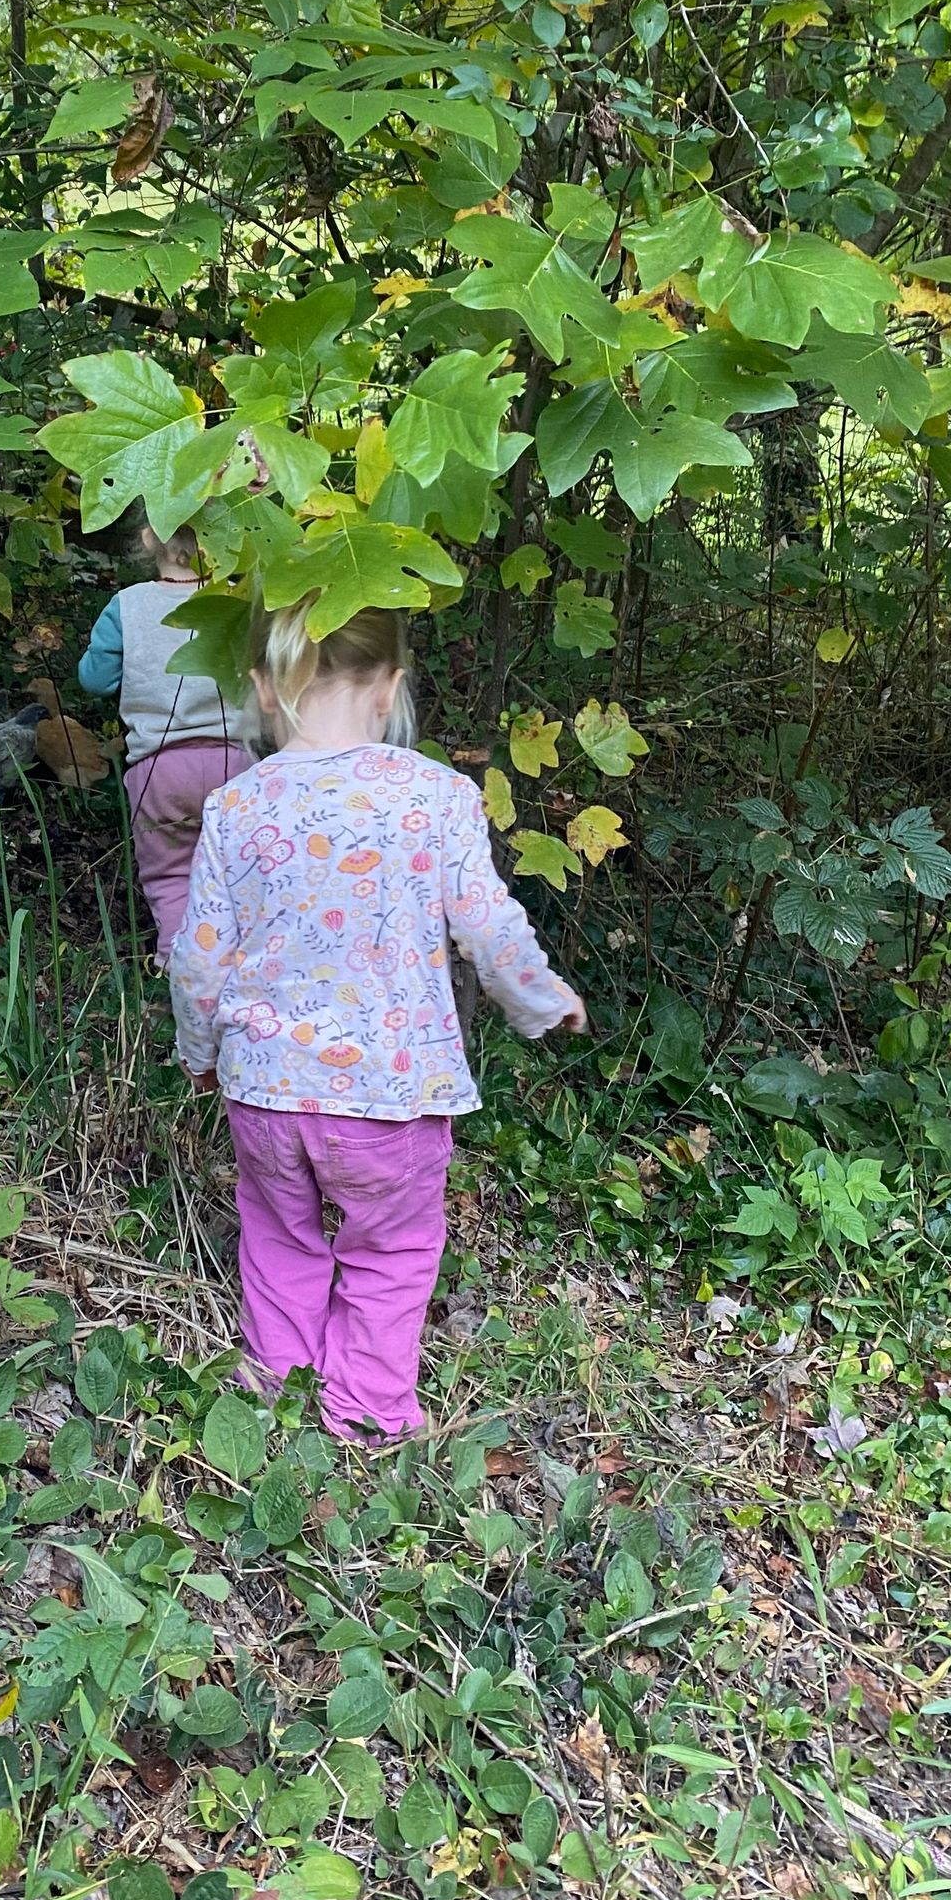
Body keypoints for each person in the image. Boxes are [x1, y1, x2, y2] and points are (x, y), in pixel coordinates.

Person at [169, 600, 585, 1446]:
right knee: (391, 1253)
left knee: (277, 1231)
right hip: (391, 1096)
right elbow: (488, 925)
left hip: (267, 1091)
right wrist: (544, 1001)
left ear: (263, 687)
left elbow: (199, 959)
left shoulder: (237, 806)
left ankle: (278, 1388)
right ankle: (363, 1408)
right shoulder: (435, 796)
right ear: (392, 685)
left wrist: (200, 1052)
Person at [78, 524, 257, 955]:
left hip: (159, 769)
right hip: (234, 763)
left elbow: (95, 680)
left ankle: (180, 964)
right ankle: (246, 964)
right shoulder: (238, 597)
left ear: (146, 538)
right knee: (240, 873)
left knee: (170, 875)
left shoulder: (127, 605)